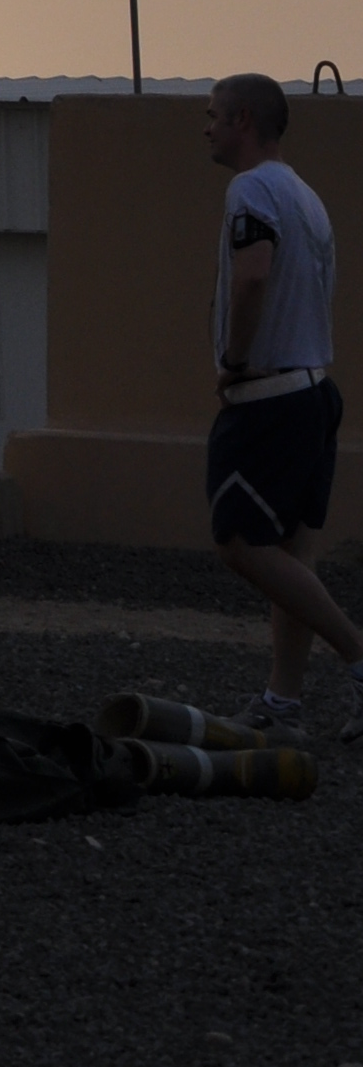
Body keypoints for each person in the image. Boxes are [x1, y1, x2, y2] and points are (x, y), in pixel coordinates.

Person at [200, 72, 357, 737]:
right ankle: (284, 703)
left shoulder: (253, 187)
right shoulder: (307, 196)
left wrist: (234, 360)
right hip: (315, 393)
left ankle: (357, 653)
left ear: (241, 119)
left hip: (270, 400)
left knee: (239, 540)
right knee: (292, 553)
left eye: (212, 115)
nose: (205, 127)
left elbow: (254, 273)